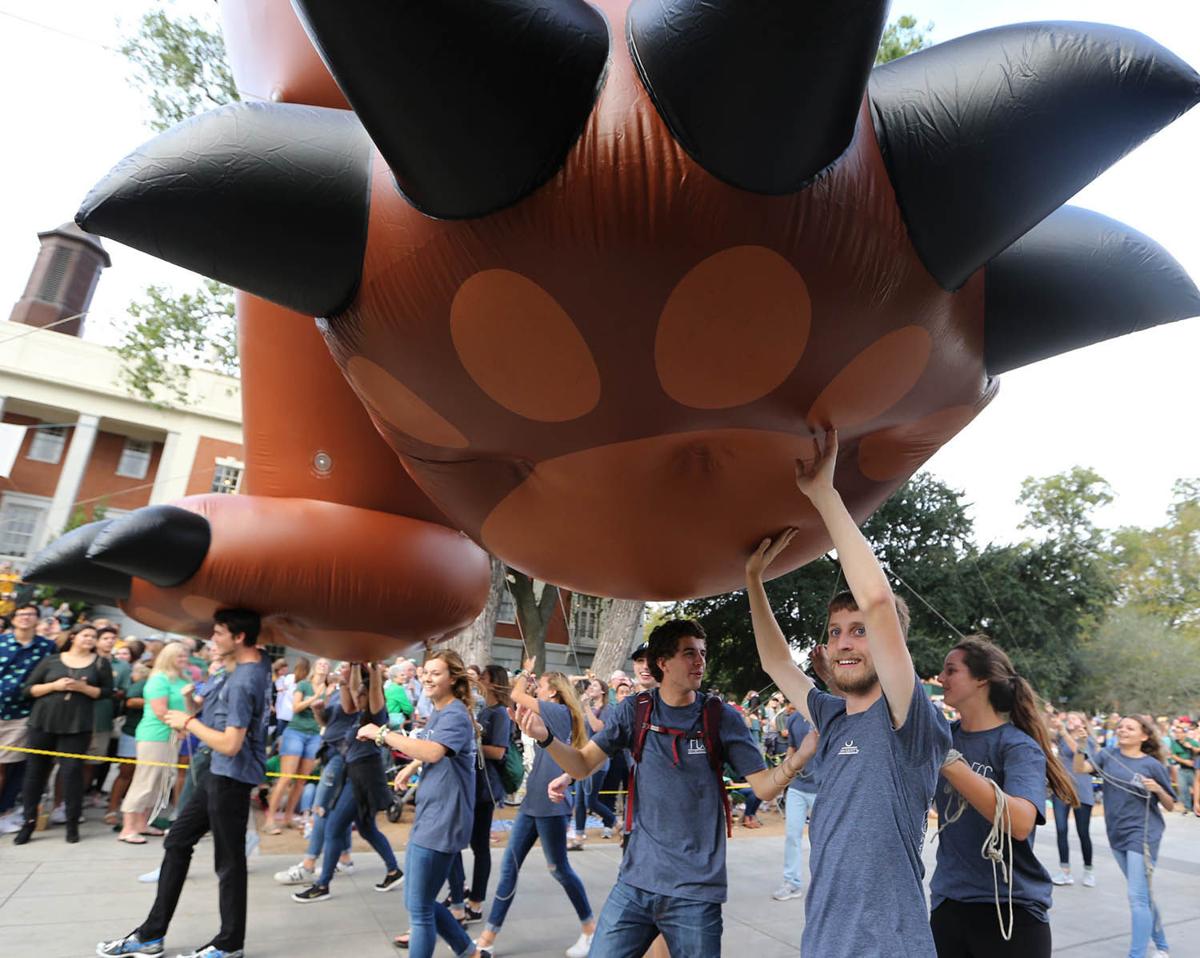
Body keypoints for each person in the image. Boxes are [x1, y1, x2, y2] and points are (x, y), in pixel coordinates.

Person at [744, 428, 951, 958]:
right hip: (823, 940)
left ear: (889, 645)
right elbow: (775, 662)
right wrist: (753, 580)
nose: (843, 643)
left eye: (858, 631)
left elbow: (878, 601)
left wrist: (823, 493)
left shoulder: (909, 718)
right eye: (835, 632)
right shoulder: (830, 715)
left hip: (890, 945)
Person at [514, 620, 808, 957]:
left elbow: (764, 788)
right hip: (636, 883)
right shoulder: (635, 711)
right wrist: (546, 738)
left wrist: (800, 757)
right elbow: (581, 765)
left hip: (696, 892)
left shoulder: (720, 717)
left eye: (702, 653)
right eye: (689, 653)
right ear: (663, 663)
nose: (700, 661)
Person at [97, 608, 272, 958]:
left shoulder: (245, 679)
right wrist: (194, 703)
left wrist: (188, 721)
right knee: (177, 842)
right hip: (215, 772)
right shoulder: (247, 666)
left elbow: (231, 742)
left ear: (238, 637)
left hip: (230, 777)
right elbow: (214, 712)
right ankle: (151, 934)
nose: (212, 639)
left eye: (219, 633)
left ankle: (229, 944)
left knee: (229, 862)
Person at [930, 636, 1078, 958]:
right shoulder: (944, 736)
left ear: (982, 679)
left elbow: (1021, 822)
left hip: (1011, 914)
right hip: (948, 905)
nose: (940, 678)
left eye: (951, 670)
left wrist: (951, 764)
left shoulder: (1016, 746)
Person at [360, 650, 483, 958]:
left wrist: (382, 734)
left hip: (444, 818)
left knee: (419, 909)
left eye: (436, 673)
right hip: (432, 815)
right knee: (421, 903)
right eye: (425, 671)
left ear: (453, 679)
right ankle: (471, 953)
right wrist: (410, 767)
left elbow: (434, 752)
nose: (427, 677)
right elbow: (429, 750)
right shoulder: (441, 711)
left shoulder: (455, 713)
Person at [476, 670, 597, 958]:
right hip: (534, 801)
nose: (536, 690)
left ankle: (591, 929)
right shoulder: (555, 713)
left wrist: (524, 674)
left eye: (540, 687)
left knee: (559, 869)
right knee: (510, 869)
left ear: (553, 692)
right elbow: (520, 707)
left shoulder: (558, 710)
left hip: (551, 804)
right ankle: (487, 938)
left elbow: (516, 694)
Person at [290, 661, 403, 903]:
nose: (357, 695)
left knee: (333, 827)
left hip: (364, 776)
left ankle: (322, 885)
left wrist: (372, 669)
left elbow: (371, 689)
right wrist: (351, 667)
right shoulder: (357, 712)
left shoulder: (376, 712)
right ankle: (394, 871)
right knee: (366, 828)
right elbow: (351, 689)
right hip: (356, 774)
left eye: (362, 691)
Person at [1071, 714, 1175, 958]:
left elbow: (1170, 805)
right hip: (1116, 832)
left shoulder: (1152, 765)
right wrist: (1081, 745)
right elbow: (1080, 768)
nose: (1123, 730)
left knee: (1137, 896)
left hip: (1143, 834)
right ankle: (1162, 945)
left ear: (1144, 736)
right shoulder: (1108, 755)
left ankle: (1136, 954)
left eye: (1130, 727)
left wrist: (1157, 788)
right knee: (1143, 893)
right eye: (1120, 727)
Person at [15, 622, 112, 844]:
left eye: (93, 636)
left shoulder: (100, 663)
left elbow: (107, 692)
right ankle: (28, 822)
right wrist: (54, 686)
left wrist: (84, 688)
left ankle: (71, 823)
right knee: (35, 772)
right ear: (73, 637)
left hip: (77, 725)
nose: (89, 639)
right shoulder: (52, 660)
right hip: (43, 722)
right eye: (85, 635)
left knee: (72, 774)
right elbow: (28, 689)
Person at [445, 664, 513, 926]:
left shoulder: (499, 714)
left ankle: (475, 901)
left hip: (485, 787)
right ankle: (462, 892)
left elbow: (499, 751)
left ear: (494, 681)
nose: (479, 681)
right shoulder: (485, 710)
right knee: (465, 842)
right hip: (474, 784)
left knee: (479, 846)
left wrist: (470, 741)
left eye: (483, 677)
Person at [119, 642, 192, 844]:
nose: (184, 660)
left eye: (185, 656)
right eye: (180, 657)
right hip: (155, 734)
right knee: (145, 779)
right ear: (169, 658)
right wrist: (182, 727)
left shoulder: (182, 679)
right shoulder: (159, 679)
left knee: (160, 781)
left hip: (173, 735)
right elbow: (160, 711)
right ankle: (128, 827)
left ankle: (142, 823)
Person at [0, 602, 58, 832]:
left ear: (37, 620)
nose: (25, 618)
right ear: (13, 619)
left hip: (24, 713)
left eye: (31, 615)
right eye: (21, 614)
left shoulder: (47, 646)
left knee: (10, 764)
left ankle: (5, 810)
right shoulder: (2, 642)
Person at [264, 657, 324, 833]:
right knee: (286, 777)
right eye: (320, 663)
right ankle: (270, 820)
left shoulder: (327, 690)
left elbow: (323, 718)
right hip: (295, 732)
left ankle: (289, 817)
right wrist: (314, 698)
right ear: (314, 667)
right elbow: (295, 708)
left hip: (314, 735)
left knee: (301, 781)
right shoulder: (304, 685)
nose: (323, 666)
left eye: (326, 664)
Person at [772, 701, 820, 901]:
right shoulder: (792, 719)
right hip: (798, 787)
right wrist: (784, 775)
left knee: (822, 840)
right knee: (792, 834)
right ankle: (792, 882)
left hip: (822, 788)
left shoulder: (824, 715)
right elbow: (791, 749)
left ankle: (824, 884)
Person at [568, 677, 617, 848]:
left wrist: (587, 707)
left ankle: (614, 821)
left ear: (603, 691)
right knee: (580, 801)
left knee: (591, 801)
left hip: (598, 761)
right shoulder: (586, 709)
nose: (591, 689)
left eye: (595, 686)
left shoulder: (607, 709)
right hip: (583, 757)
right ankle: (579, 836)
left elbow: (598, 728)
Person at [1050, 712, 1097, 887]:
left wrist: (1064, 732)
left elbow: (1077, 752)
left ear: (1083, 723)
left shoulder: (1088, 740)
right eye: (1067, 718)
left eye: (1074, 718)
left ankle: (1089, 870)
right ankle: (1065, 871)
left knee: (1083, 833)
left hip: (1082, 792)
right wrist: (1049, 716)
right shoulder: (1060, 738)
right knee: (1061, 829)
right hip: (1062, 791)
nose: (1070, 720)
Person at [107, 661, 150, 826]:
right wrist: (156, 703)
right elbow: (130, 701)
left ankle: (136, 813)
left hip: (151, 736)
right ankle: (112, 808)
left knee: (143, 776)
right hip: (132, 732)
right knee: (126, 772)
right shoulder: (142, 683)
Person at [386, 661, 415, 729]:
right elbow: (408, 708)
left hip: (388, 718)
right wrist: (412, 709)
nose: (405, 677)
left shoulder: (390, 687)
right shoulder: (398, 689)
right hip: (396, 720)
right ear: (394, 677)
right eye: (402, 675)